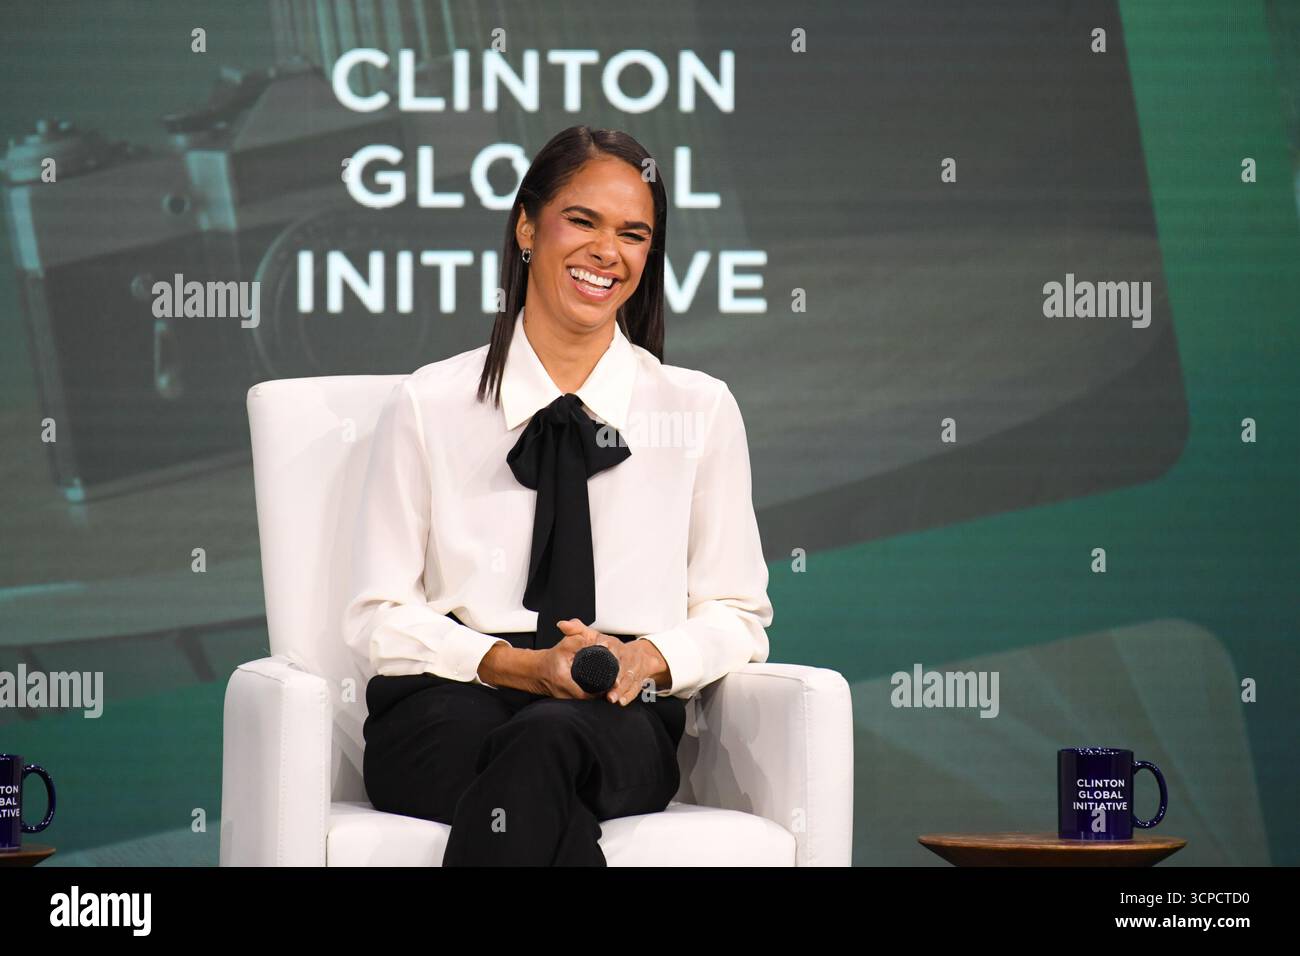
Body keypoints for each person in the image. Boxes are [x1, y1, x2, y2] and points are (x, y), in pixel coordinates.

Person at [342, 126, 773, 866]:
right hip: (450, 704)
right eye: (583, 221)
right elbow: (375, 615)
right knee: (535, 771)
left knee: (548, 741)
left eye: (633, 234)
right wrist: (512, 665)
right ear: (526, 228)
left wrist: (644, 659)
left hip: (616, 711)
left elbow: (738, 616)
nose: (608, 251)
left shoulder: (698, 410)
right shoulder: (429, 402)